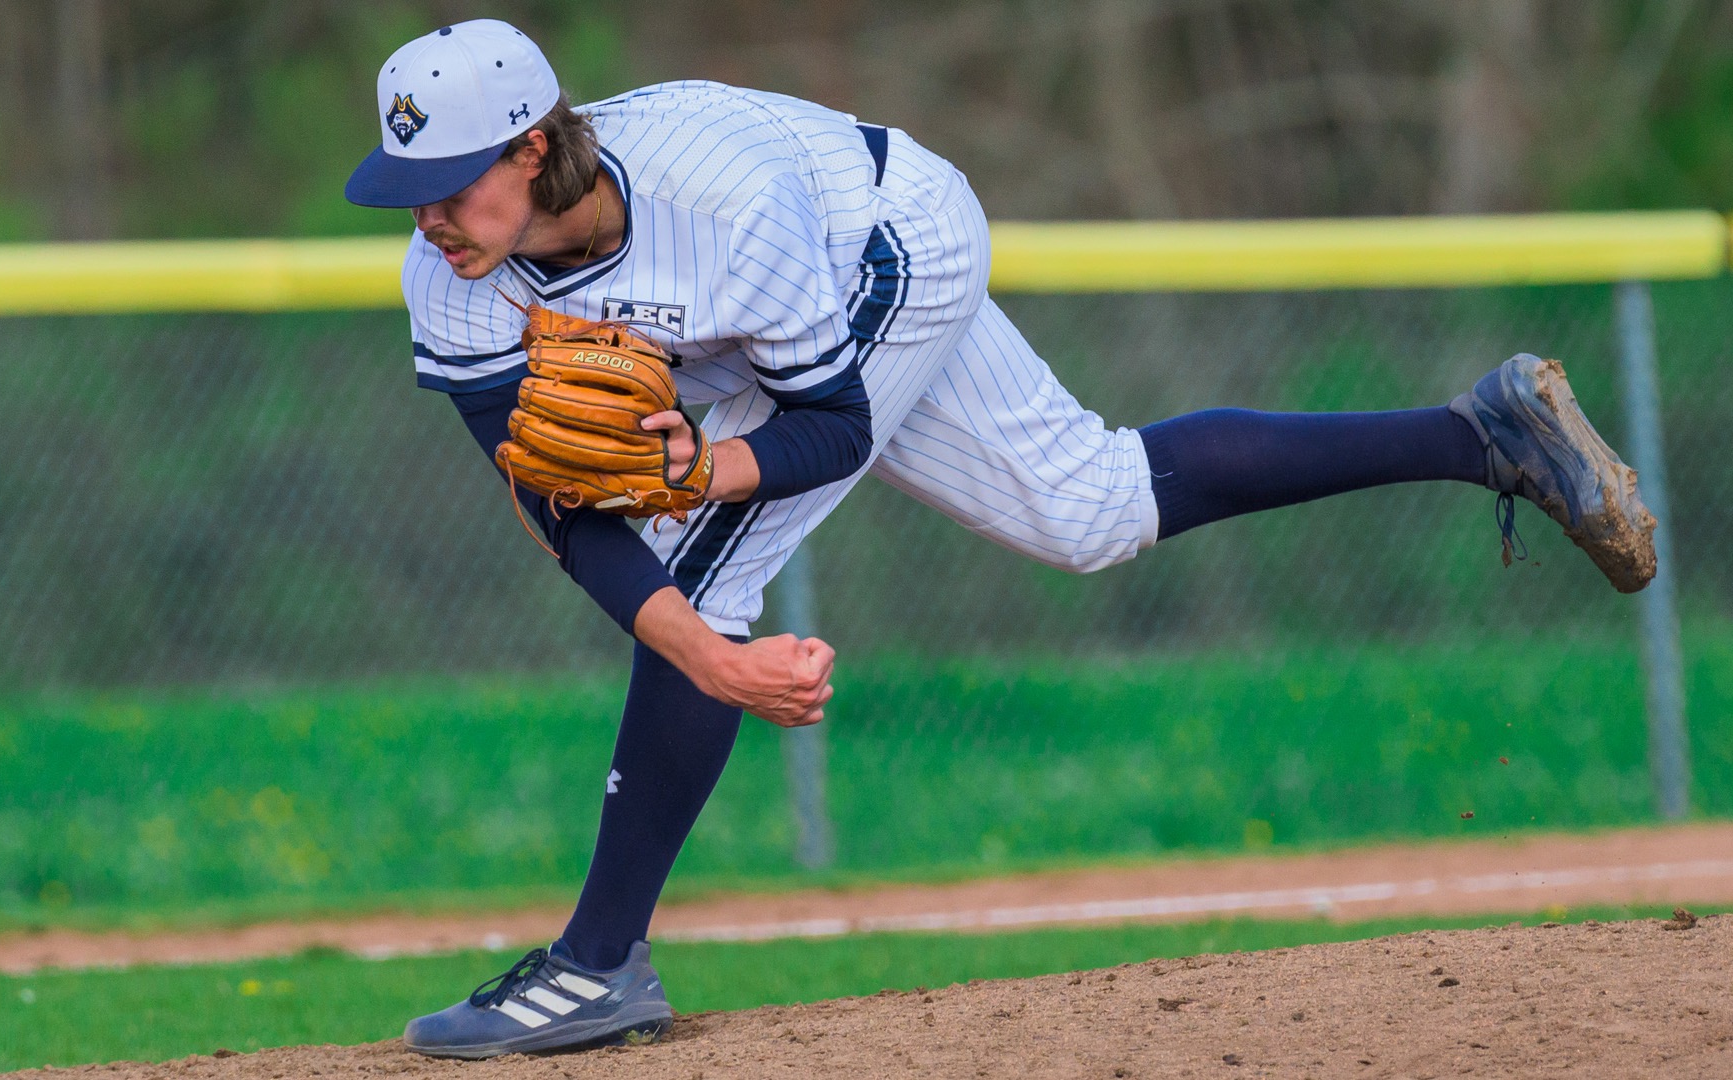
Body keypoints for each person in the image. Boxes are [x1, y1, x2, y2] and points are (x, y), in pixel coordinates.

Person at [342, 19, 1656, 1060]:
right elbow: (560, 507)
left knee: (709, 554)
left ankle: (599, 961)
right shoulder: (450, 279)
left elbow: (831, 428)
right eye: (407, 194)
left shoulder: (718, 202)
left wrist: (707, 502)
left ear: (530, 151)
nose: (424, 221)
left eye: (444, 187)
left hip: (885, 235)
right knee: (1090, 511)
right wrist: (698, 615)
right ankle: (1480, 434)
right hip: (759, 323)